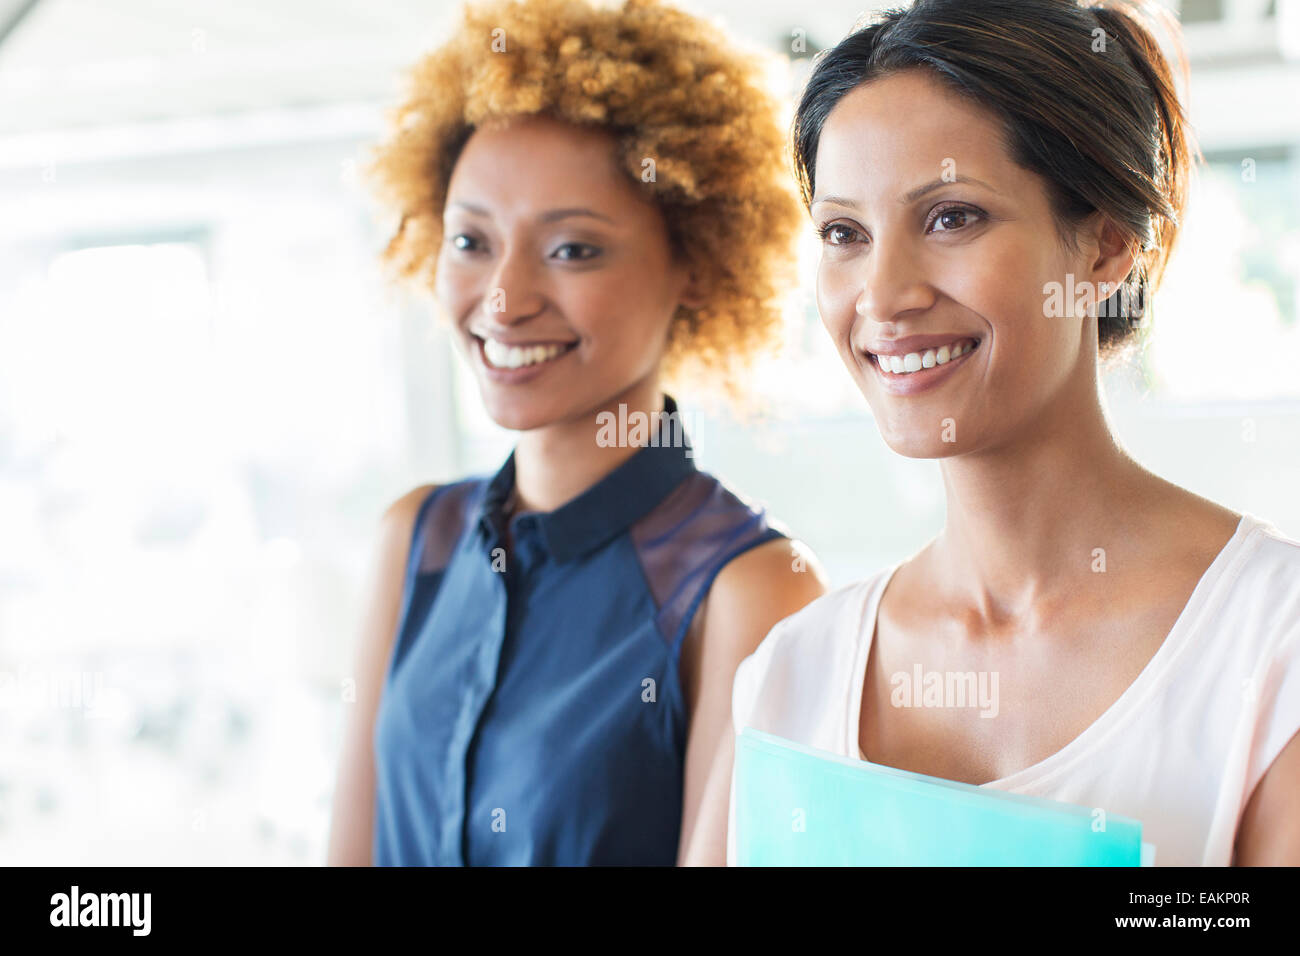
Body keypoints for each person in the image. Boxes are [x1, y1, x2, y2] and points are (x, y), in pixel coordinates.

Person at [690, 0, 1300, 866]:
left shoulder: (1273, 647)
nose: (883, 294)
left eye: (951, 217)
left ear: (1106, 243)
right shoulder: (791, 677)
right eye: (843, 234)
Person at [326, 0, 828, 866]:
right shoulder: (413, 540)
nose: (503, 299)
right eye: (471, 240)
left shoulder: (752, 591)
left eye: (572, 250)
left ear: (696, 264)